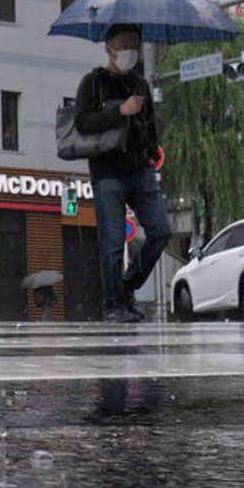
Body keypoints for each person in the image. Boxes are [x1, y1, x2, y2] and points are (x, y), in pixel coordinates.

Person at [74, 23, 170, 323]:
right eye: (124, 45)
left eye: (135, 46)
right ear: (109, 49)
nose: (130, 52)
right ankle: (113, 304)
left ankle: (127, 285)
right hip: (107, 172)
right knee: (112, 242)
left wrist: (152, 152)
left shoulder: (139, 83)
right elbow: (82, 123)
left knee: (161, 232)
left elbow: (151, 123)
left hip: (140, 169)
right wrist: (119, 111)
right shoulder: (93, 83)